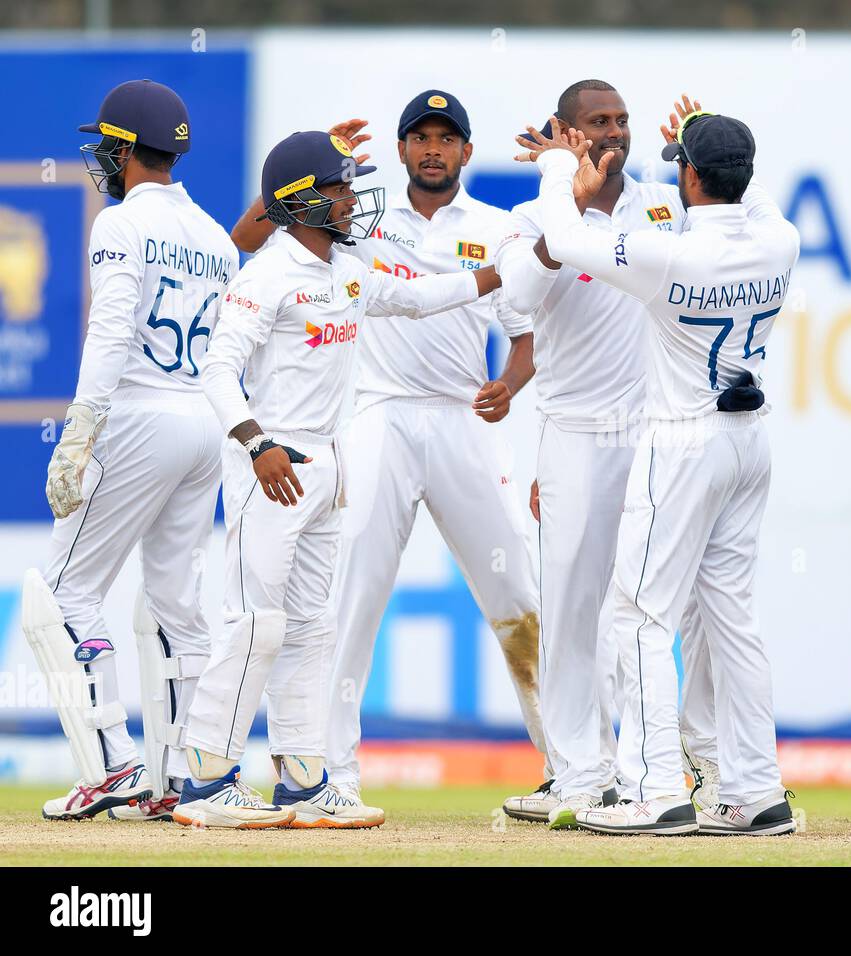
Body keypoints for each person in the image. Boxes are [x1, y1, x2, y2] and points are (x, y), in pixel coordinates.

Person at [173, 130, 499, 829]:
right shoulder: (266, 273)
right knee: (255, 623)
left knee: (313, 627)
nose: (353, 199)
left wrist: (499, 275)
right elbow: (218, 370)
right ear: (298, 201)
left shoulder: (348, 269)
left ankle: (303, 779)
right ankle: (205, 780)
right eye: (339, 187)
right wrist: (255, 440)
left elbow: (417, 298)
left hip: (328, 465)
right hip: (272, 466)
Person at [229, 91, 546, 804]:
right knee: (351, 600)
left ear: (466, 151)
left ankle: (570, 770)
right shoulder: (350, 219)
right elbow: (252, 238)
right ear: (401, 150)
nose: (433, 148)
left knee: (517, 593)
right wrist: (296, 178)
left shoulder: (495, 229)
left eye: (447, 138)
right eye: (420, 137)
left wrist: (510, 384)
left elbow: (524, 336)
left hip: (462, 415)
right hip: (376, 415)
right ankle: (328, 773)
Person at [514, 102, 800, 836]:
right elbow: (752, 194)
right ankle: (755, 790)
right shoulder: (781, 240)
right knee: (733, 620)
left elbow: (571, 235)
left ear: (691, 176)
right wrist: (712, 135)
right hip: (749, 444)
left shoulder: (665, 252)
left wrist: (557, 164)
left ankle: (655, 789)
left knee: (638, 614)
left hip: (682, 442)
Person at [497, 82, 718, 827]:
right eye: (598, 123)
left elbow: (723, 229)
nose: (614, 133)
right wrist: (573, 204)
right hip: (576, 435)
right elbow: (520, 294)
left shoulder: (661, 199)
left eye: (622, 121)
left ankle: (646, 770)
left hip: (654, 430)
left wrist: (700, 138)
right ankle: (575, 773)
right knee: (570, 609)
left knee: (646, 609)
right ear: (564, 132)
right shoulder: (535, 216)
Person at [23, 79, 236, 822]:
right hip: (203, 423)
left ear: (122, 150)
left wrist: (81, 429)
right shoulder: (212, 235)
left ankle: (116, 765)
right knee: (176, 602)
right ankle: (182, 775)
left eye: (104, 147)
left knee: (61, 594)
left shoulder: (120, 222)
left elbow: (112, 330)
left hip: (140, 415)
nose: (99, 160)